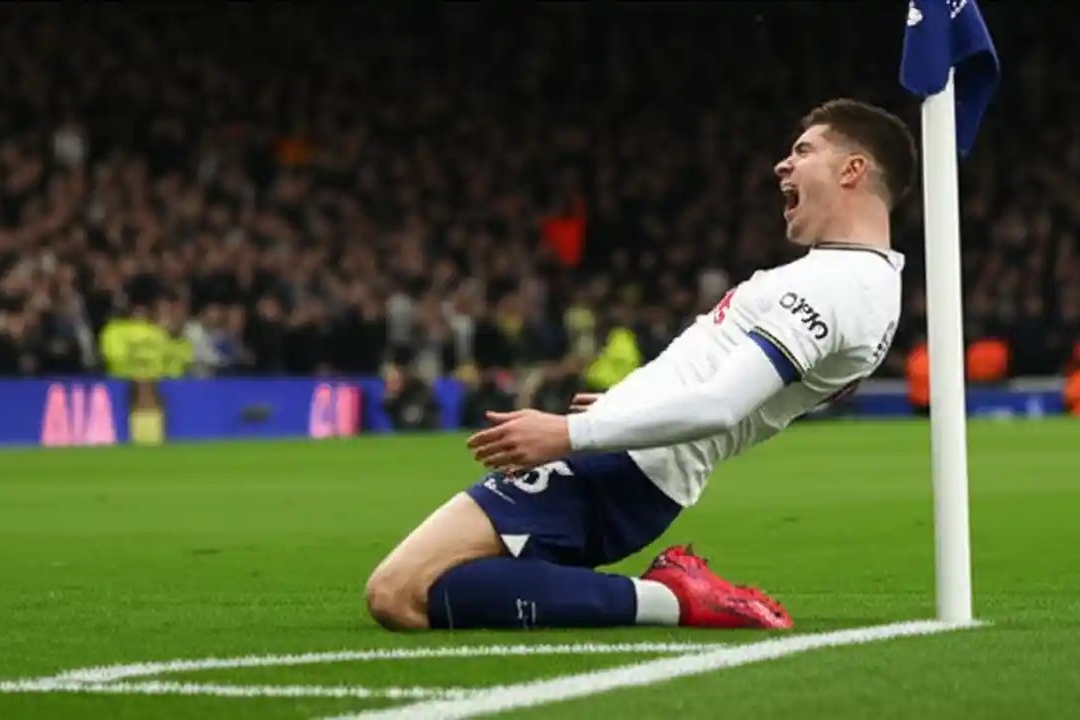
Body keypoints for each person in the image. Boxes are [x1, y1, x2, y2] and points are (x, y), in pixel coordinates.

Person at [365, 98, 917, 631]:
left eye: (803, 149)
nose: (783, 163)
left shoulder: (840, 287)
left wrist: (570, 433)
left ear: (852, 170)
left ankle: (673, 598)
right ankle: (662, 597)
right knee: (426, 591)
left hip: (625, 464)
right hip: (632, 460)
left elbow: (721, 404)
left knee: (397, 593)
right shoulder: (854, 280)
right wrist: (627, 404)